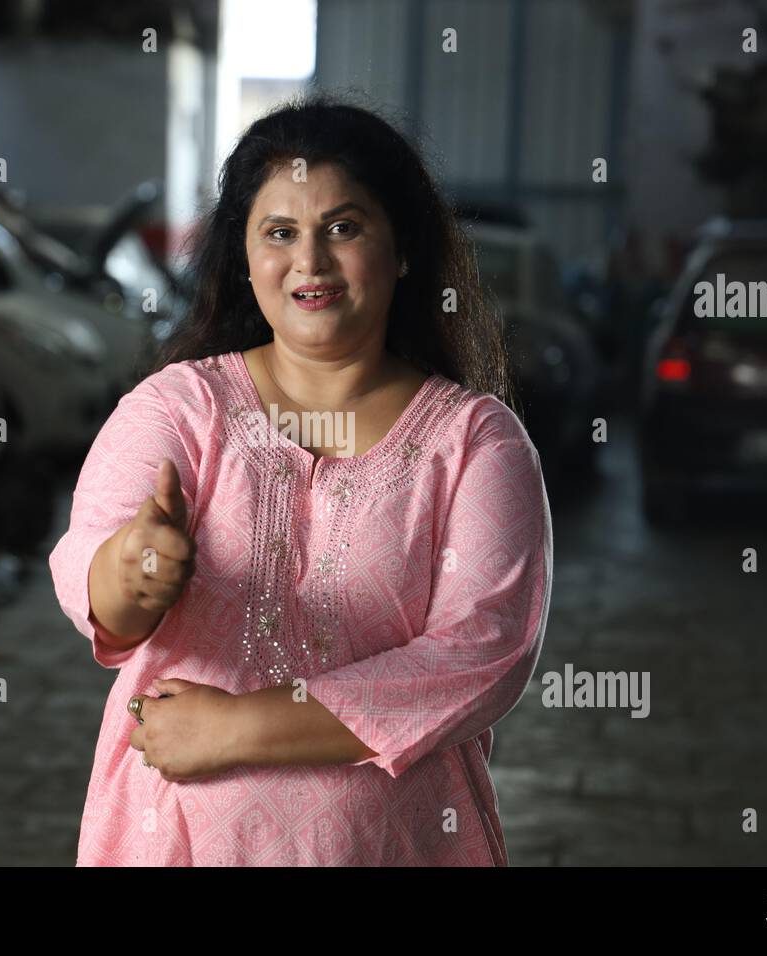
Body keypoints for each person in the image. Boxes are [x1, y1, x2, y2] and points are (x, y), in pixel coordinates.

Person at [48, 93, 553, 866]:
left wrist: (238, 729)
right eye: (279, 232)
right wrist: (132, 570)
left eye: (343, 228)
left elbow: (483, 651)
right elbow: (93, 569)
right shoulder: (179, 409)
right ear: (245, 260)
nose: (310, 262)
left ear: (404, 247)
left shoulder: (476, 442)